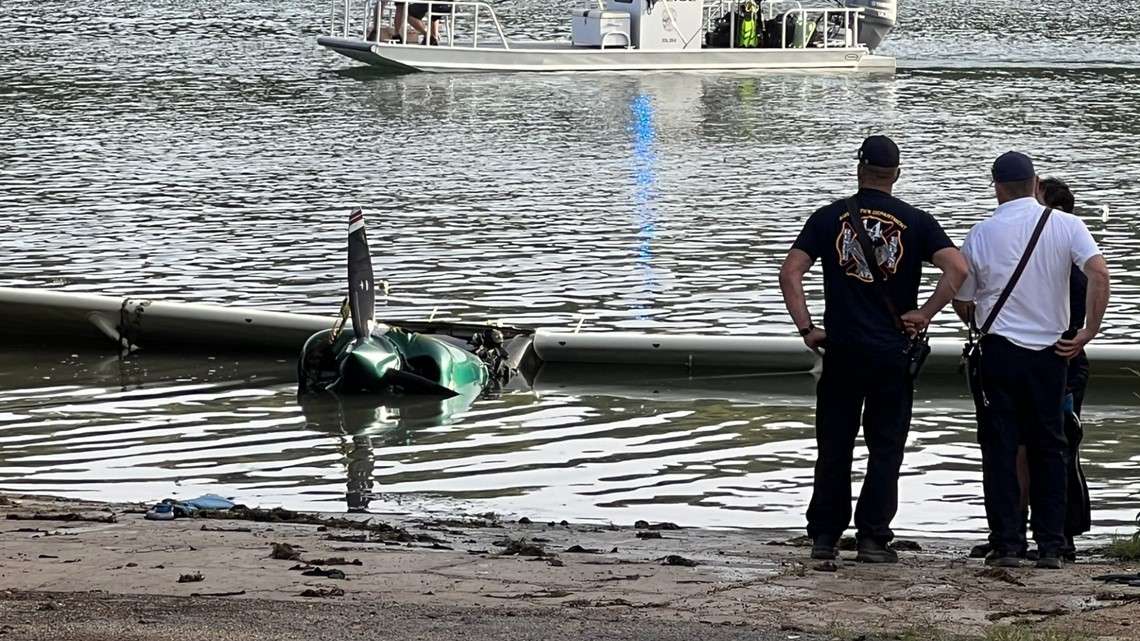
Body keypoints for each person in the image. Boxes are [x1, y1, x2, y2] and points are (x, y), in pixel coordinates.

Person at [778, 135, 968, 563]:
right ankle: (873, 539)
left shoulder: (828, 217)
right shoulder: (917, 221)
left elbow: (790, 273)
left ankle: (825, 537)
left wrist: (807, 329)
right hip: (892, 352)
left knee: (835, 444)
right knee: (886, 446)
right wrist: (925, 313)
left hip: (842, 350)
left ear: (859, 169)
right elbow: (958, 268)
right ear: (896, 174)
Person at [952, 152, 1109, 570]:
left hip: (999, 353)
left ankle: (1007, 544)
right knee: (1050, 446)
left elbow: (962, 300)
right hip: (1052, 353)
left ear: (997, 188)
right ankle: (1052, 546)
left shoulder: (980, 233)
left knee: (1000, 448)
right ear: (1035, 183)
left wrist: (982, 317)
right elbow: (1099, 273)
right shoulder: (1067, 225)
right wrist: (1088, 331)